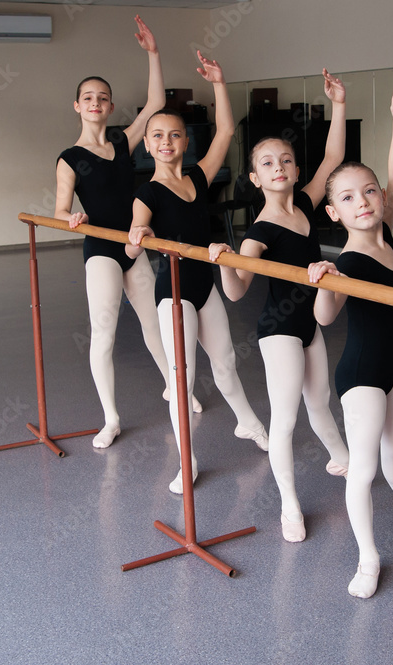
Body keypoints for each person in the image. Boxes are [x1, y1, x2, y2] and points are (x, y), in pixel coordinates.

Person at [208, 69, 351, 543]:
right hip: (279, 330)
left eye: (286, 160)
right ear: (255, 178)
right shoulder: (260, 233)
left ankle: (342, 459)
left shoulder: (307, 206)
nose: (280, 167)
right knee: (286, 419)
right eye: (268, 163)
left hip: (310, 324)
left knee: (321, 403)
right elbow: (235, 292)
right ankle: (290, 506)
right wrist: (225, 262)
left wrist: (340, 104)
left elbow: (333, 157)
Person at [127, 53, 268, 494]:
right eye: (157, 136)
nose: (166, 141)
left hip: (204, 288)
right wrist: (140, 234)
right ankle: (186, 462)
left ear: (185, 141)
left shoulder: (199, 177)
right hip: (173, 294)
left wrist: (221, 84)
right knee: (182, 377)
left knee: (225, 363)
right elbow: (133, 237)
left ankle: (247, 423)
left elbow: (226, 131)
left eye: (174, 135)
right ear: (147, 145)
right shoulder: (147, 191)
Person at [308, 85, 393, 599]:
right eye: (348, 198)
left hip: (387, 372)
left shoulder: (388, 234)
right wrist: (323, 280)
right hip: (358, 377)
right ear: (333, 213)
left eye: (369, 191)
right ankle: (368, 558)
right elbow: (325, 316)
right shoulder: (348, 263)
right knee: (365, 468)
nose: (364, 202)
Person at [54, 15, 190, 450]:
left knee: (155, 326)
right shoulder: (69, 157)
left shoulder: (122, 143)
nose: (96, 102)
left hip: (134, 245)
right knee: (105, 333)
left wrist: (153, 53)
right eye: (88, 97)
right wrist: (70, 220)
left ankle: (177, 389)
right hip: (101, 249)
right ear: (77, 105)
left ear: (111, 107)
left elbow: (154, 104)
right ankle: (111, 417)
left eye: (103, 97)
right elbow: (60, 210)